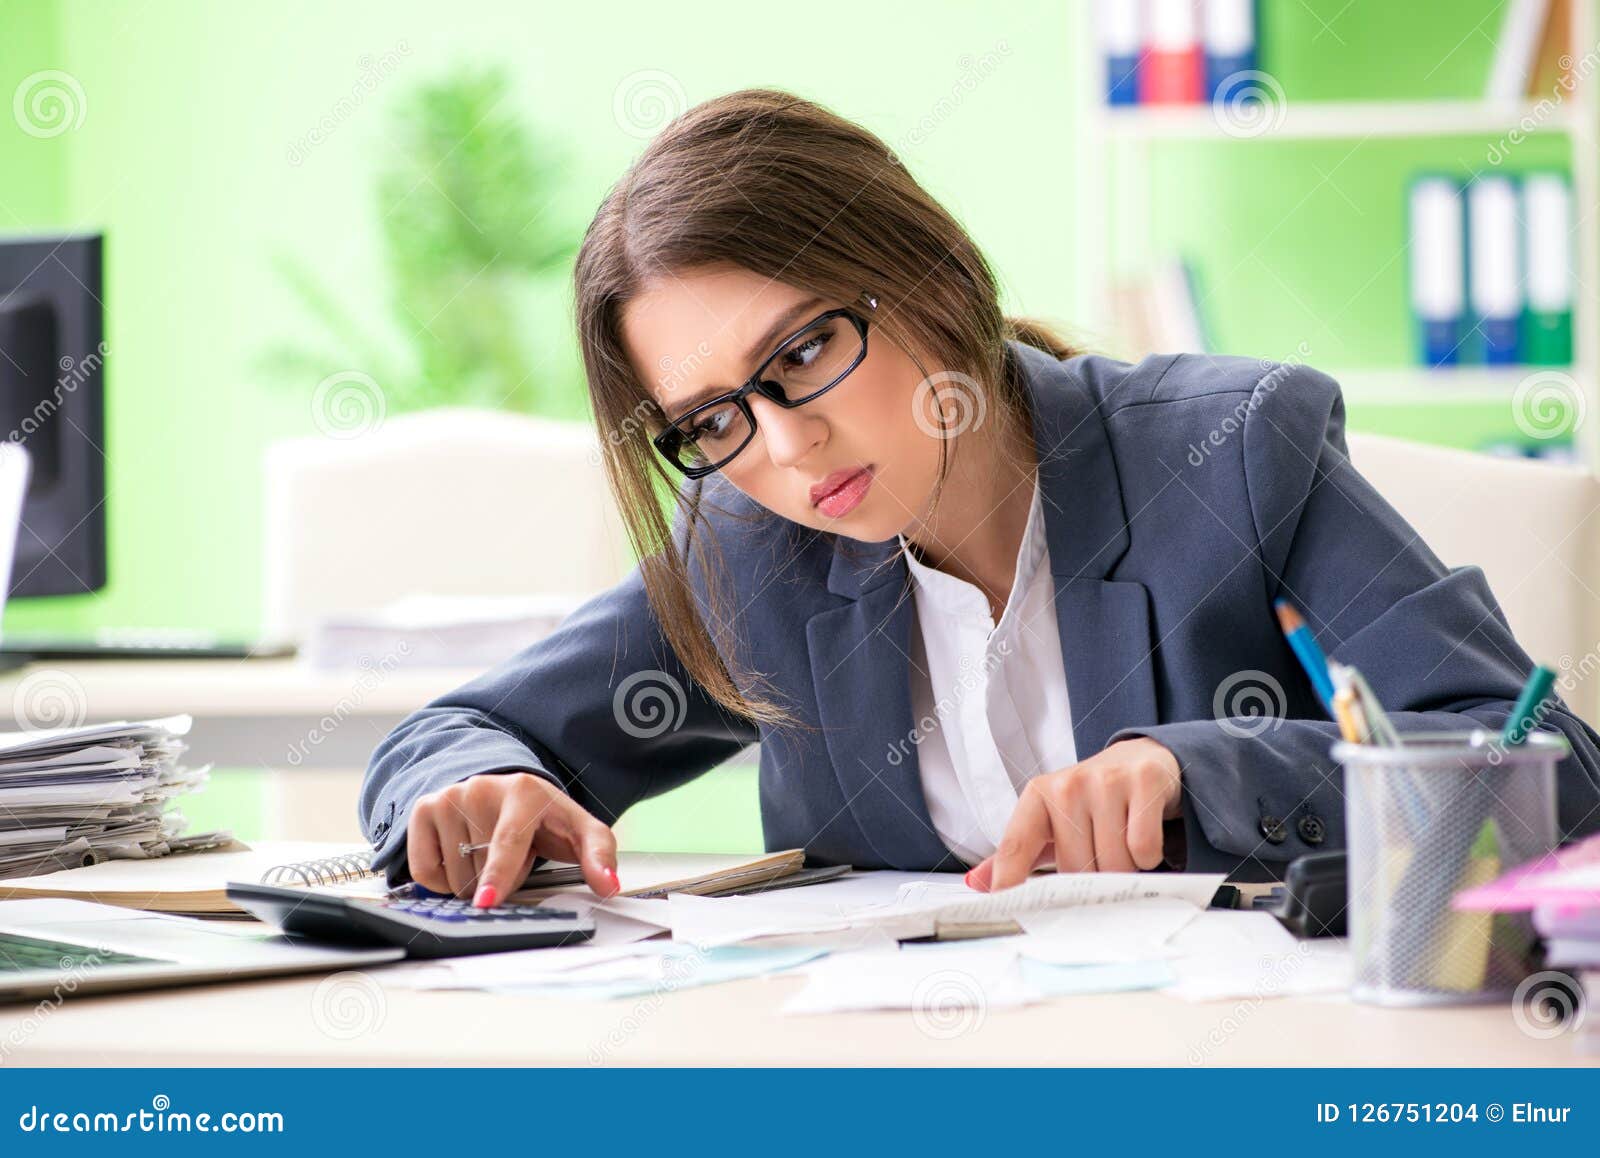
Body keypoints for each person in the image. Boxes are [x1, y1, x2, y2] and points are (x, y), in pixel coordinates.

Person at [359, 88, 1600, 908]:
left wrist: (1198, 771)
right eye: (711, 419)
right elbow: (451, 737)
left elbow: (1543, 763)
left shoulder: (1231, 448)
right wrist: (477, 790)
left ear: (931, 274)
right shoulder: (752, 546)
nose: (786, 449)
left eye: (801, 354)